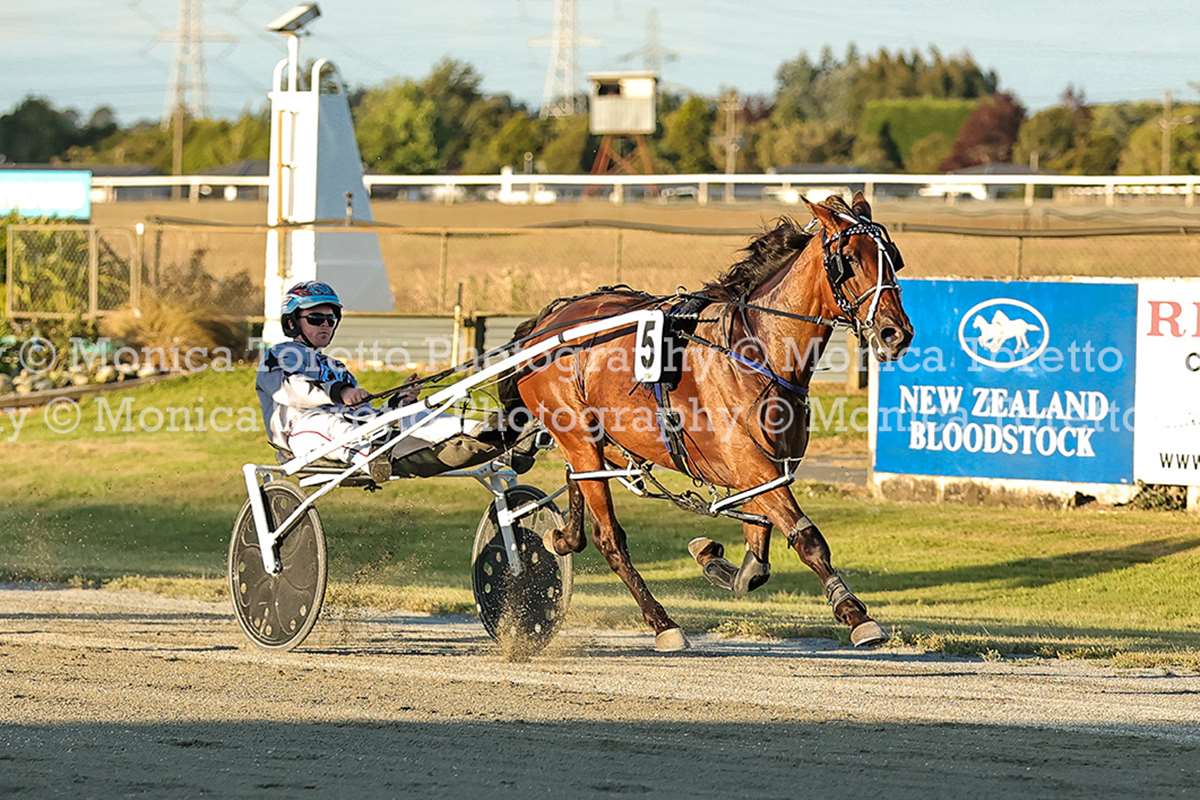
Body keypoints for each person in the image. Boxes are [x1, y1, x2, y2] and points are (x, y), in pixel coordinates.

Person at [255, 281, 504, 483]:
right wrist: (339, 393)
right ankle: (371, 455)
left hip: (355, 431)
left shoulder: (336, 368)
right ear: (291, 322)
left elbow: (364, 414)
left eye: (330, 320)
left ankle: (487, 431)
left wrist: (399, 402)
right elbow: (291, 389)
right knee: (327, 423)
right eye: (316, 319)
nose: (325, 325)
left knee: (415, 415)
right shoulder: (280, 355)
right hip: (300, 435)